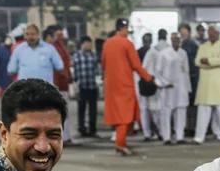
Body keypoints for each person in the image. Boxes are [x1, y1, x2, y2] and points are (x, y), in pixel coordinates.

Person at [101, 18, 154, 156]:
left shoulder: (107, 44)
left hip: (112, 85)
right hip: (125, 85)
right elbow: (136, 65)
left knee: (120, 114)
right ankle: (120, 143)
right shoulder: (127, 43)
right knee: (126, 114)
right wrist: (149, 78)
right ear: (123, 29)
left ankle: (121, 142)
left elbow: (103, 64)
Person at [193, 25, 220, 145]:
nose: (211, 35)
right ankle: (199, 138)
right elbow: (197, 61)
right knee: (203, 111)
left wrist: (208, 61)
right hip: (205, 84)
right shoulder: (203, 46)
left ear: (218, 33)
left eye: (213, 33)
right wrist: (211, 62)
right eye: (209, 33)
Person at [155, 30, 191, 145]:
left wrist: (188, 88)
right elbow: (158, 72)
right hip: (168, 88)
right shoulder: (164, 54)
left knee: (181, 112)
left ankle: (180, 136)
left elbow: (186, 71)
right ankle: (166, 137)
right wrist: (164, 83)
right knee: (166, 112)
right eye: (174, 40)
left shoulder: (183, 53)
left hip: (181, 87)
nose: (176, 42)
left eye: (178, 40)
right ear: (171, 40)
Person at [141, 29, 171, 141]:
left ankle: (150, 132)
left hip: (149, 83)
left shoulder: (151, 51)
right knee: (156, 110)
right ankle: (158, 132)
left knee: (149, 110)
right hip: (155, 84)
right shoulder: (158, 51)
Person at [71, 35, 100, 138]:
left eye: (90, 44)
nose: (89, 46)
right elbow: (73, 71)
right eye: (87, 44)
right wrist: (74, 85)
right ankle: (82, 129)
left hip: (92, 86)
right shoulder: (76, 56)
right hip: (81, 87)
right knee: (81, 109)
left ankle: (93, 130)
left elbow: (98, 70)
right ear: (83, 44)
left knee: (93, 109)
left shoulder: (94, 55)